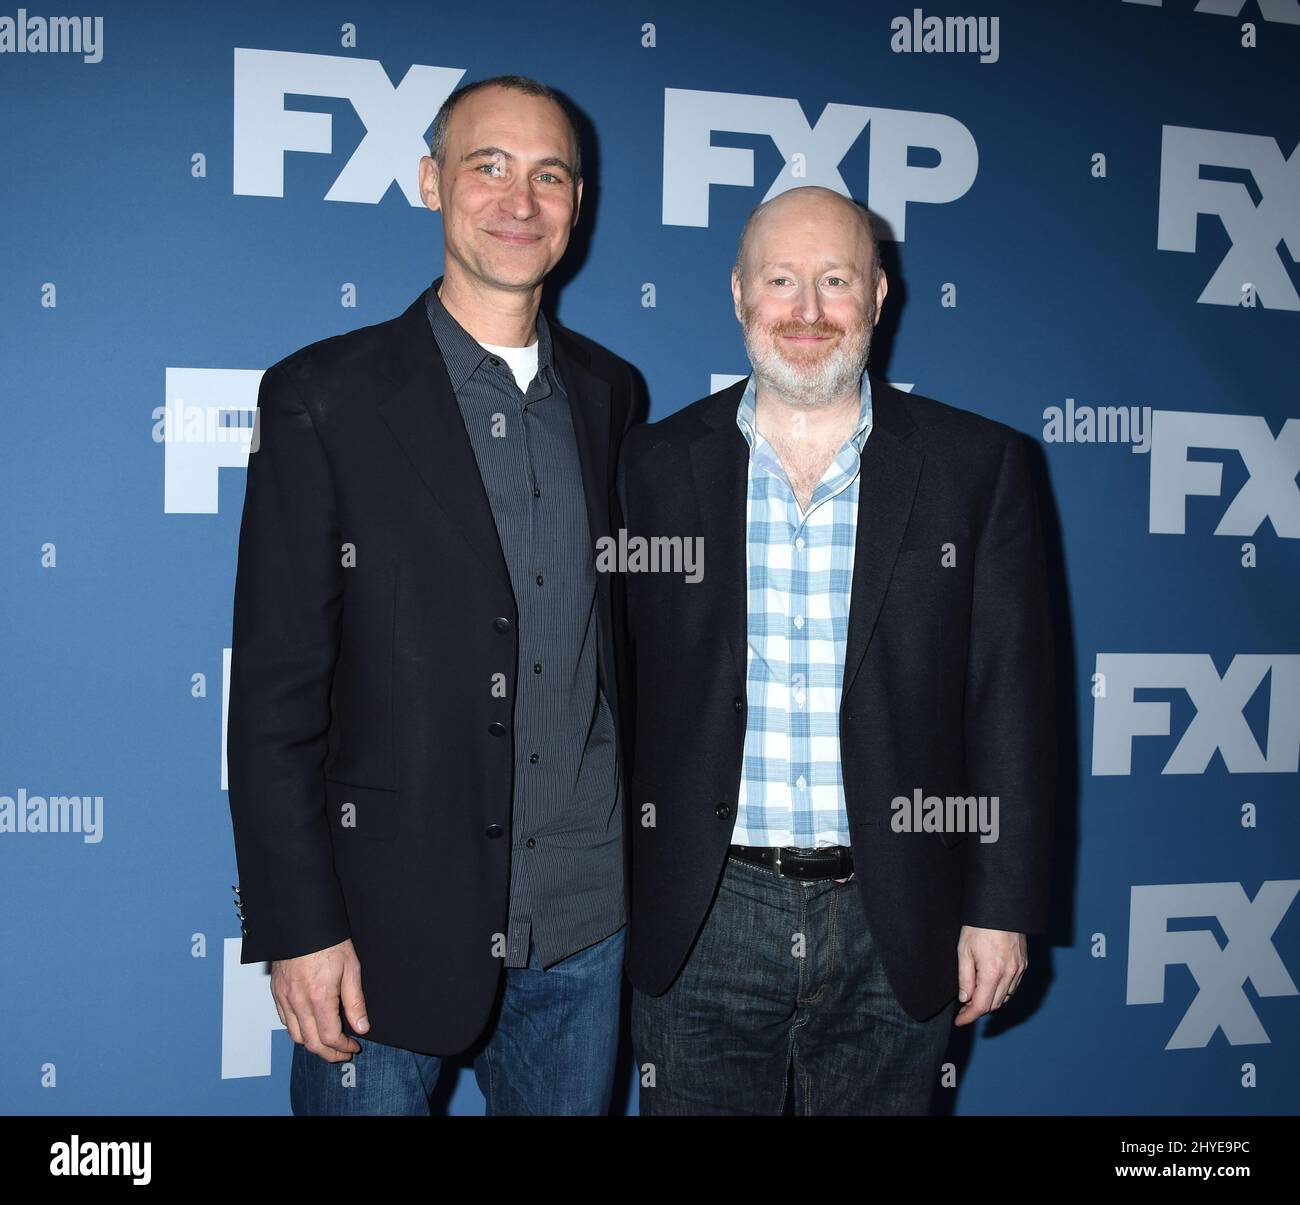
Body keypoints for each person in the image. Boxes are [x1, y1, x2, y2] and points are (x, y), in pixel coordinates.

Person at [226, 75, 641, 1116]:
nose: (519, 199)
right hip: (380, 931)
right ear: (429, 184)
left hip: (586, 928)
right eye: (487, 166)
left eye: (548, 175)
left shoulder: (611, 394)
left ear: (576, 206)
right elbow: (276, 688)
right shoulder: (323, 396)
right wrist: (299, 925)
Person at [620, 185, 1055, 1115]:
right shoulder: (647, 469)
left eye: (835, 281)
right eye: (782, 280)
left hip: (897, 912)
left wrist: (1003, 903)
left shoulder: (980, 468)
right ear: (739, 293)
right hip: (701, 913)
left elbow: (1012, 703)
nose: (808, 311)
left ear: (880, 294)